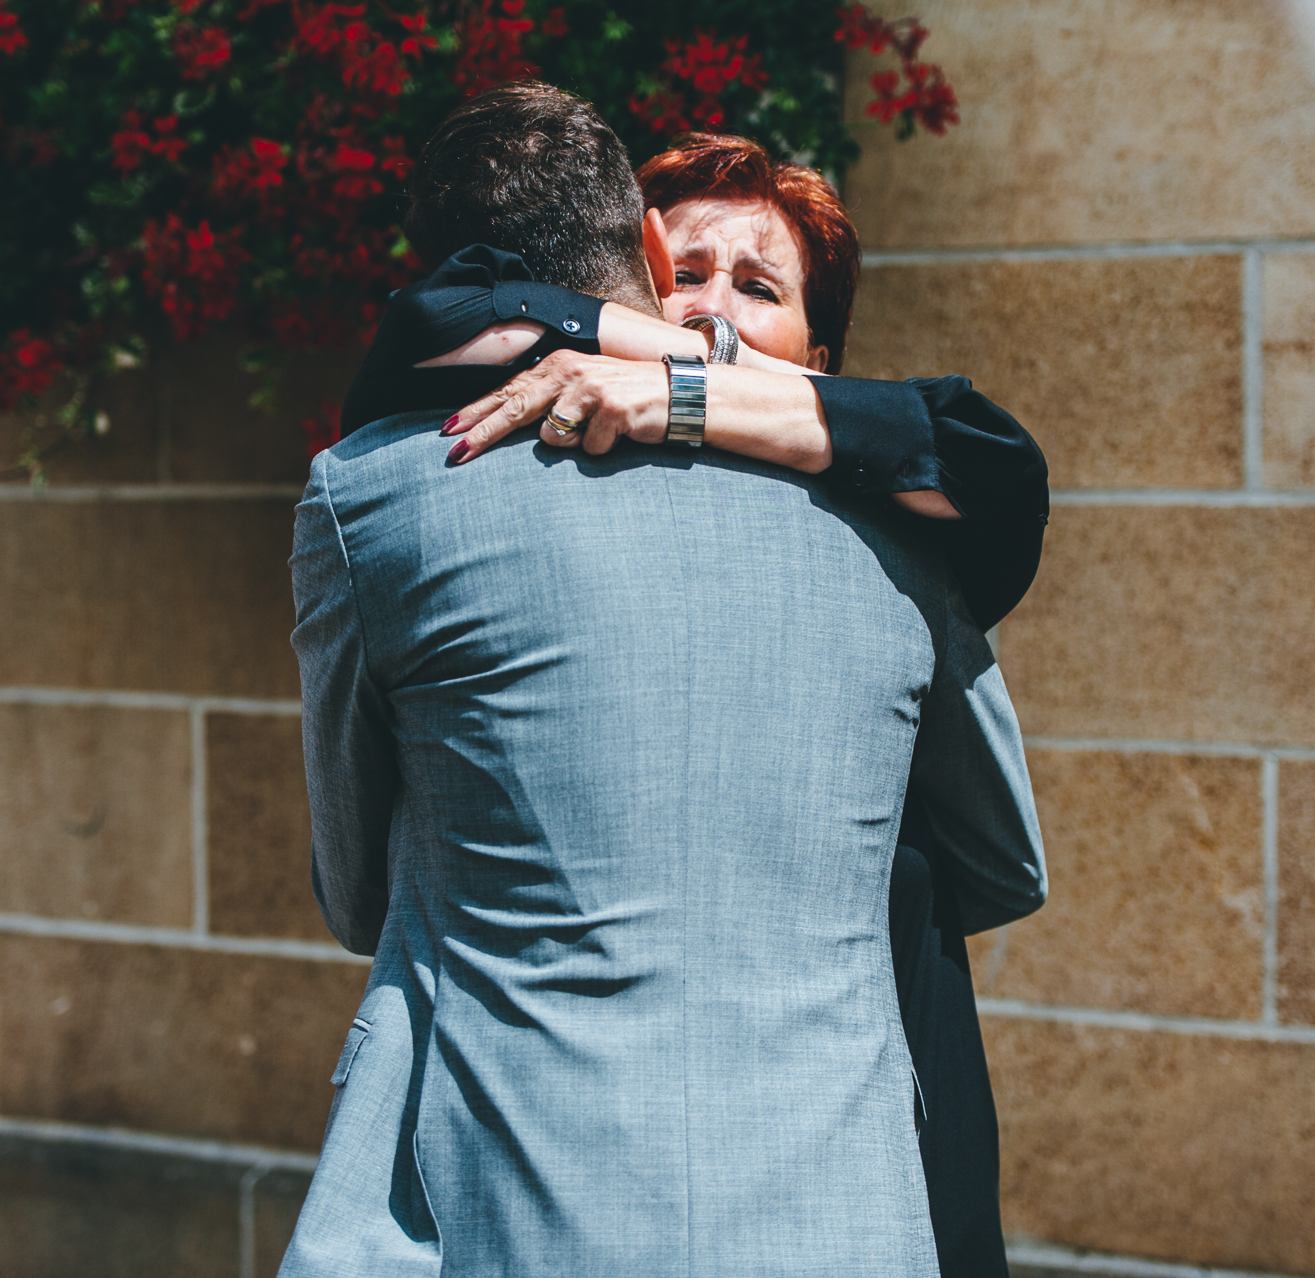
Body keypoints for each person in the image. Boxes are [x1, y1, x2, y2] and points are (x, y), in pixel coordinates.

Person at [283, 81, 1044, 1276]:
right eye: (685, 278)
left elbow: (360, 891)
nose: (710, 315)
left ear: (824, 368)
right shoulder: (903, 544)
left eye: (758, 289)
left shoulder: (909, 509)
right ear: (633, 269)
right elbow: (1009, 860)